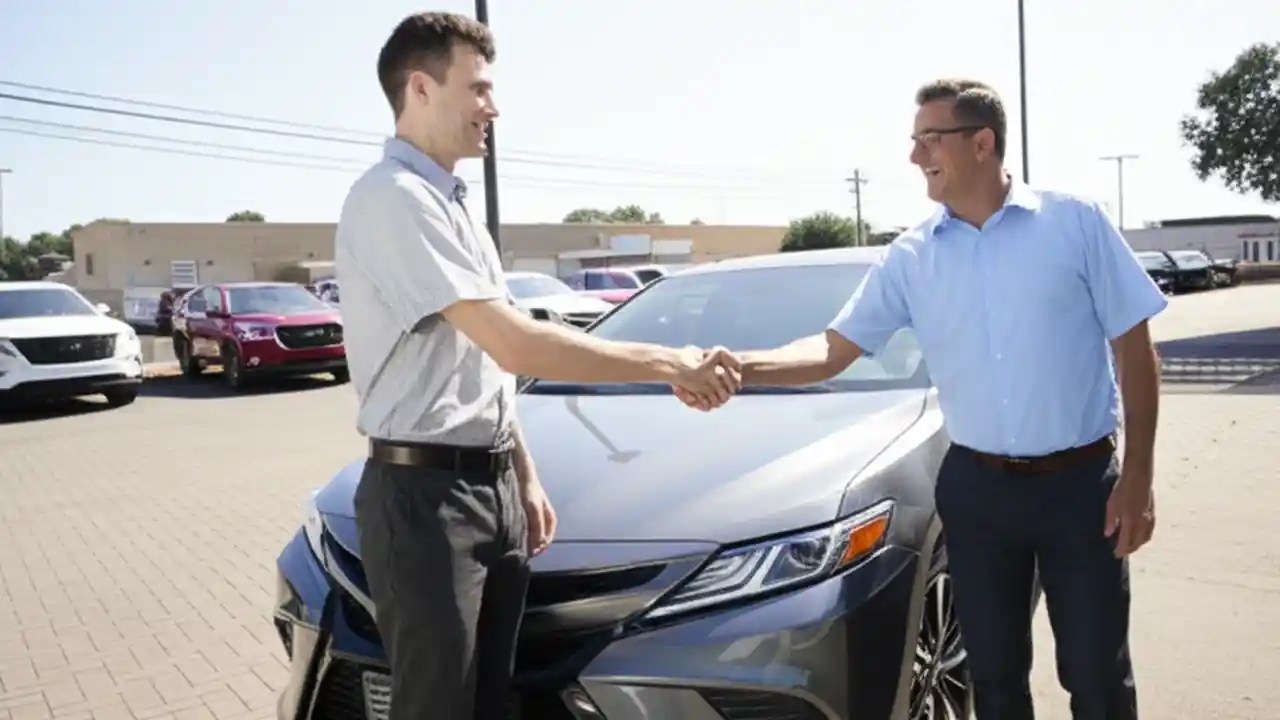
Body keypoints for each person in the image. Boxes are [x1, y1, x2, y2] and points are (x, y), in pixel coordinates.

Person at [683, 79, 1164, 719]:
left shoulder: (1074, 223)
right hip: (978, 493)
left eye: (929, 140)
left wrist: (1138, 476)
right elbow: (832, 350)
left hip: (1082, 488)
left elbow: (1136, 349)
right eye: (915, 142)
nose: (915, 158)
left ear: (982, 143)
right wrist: (739, 366)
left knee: (1098, 675)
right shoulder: (911, 257)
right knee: (992, 679)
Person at [334, 12, 740, 720]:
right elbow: (514, 342)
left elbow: (485, 364)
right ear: (422, 89)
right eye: (480, 88)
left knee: (492, 703)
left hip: (486, 490)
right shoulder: (392, 202)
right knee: (439, 708)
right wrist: (669, 362)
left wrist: (520, 473)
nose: (494, 107)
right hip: (424, 502)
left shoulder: (450, 204)